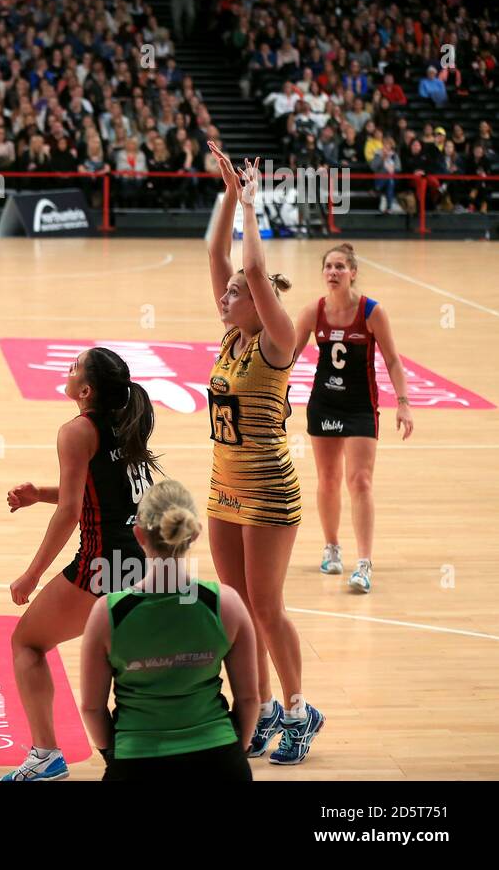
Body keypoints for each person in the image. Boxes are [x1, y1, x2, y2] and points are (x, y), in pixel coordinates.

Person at [204, 142, 323, 765]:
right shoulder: (231, 334)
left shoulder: (277, 342)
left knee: (268, 608)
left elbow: (248, 270)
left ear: (260, 301)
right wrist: (227, 196)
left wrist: (252, 205)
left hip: (270, 489)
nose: (225, 296)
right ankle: (261, 708)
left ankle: (302, 710)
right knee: (237, 607)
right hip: (223, 486)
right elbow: (216, 256)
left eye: (236, 293)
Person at [0, 347, 159, 781]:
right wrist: (39, 494)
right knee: (126, 668)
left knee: (27, 645)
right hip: (147, 565)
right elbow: (103, 491)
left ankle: (46, 754)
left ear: (85, 391)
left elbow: (72, 512)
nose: (66, 371)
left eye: (73, 368)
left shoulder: (75, 431)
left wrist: (31, 574)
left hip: (102, 566)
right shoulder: (131, 417)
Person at [78, 479, 257, 781]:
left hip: (137, 760)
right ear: (195, 532)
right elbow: (250, 699)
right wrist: (231, 751)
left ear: (138, 534)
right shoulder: (225, 604)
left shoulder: (109, 614)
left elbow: (92, 709)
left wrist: (116, 755)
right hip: (219, 759)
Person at [293, 243, 414, 592]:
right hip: (324, 404)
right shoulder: (312, 312)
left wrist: (403, 402)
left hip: (361, 405)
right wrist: (275, 391)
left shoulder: (372, 312)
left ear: (353, 272)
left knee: (359, 480)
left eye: (340, 267)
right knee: (328, 479)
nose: (333, 272)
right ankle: (331, 547)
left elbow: (392, 360)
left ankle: (364, 564)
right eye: (329, 267)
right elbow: (289, 355)